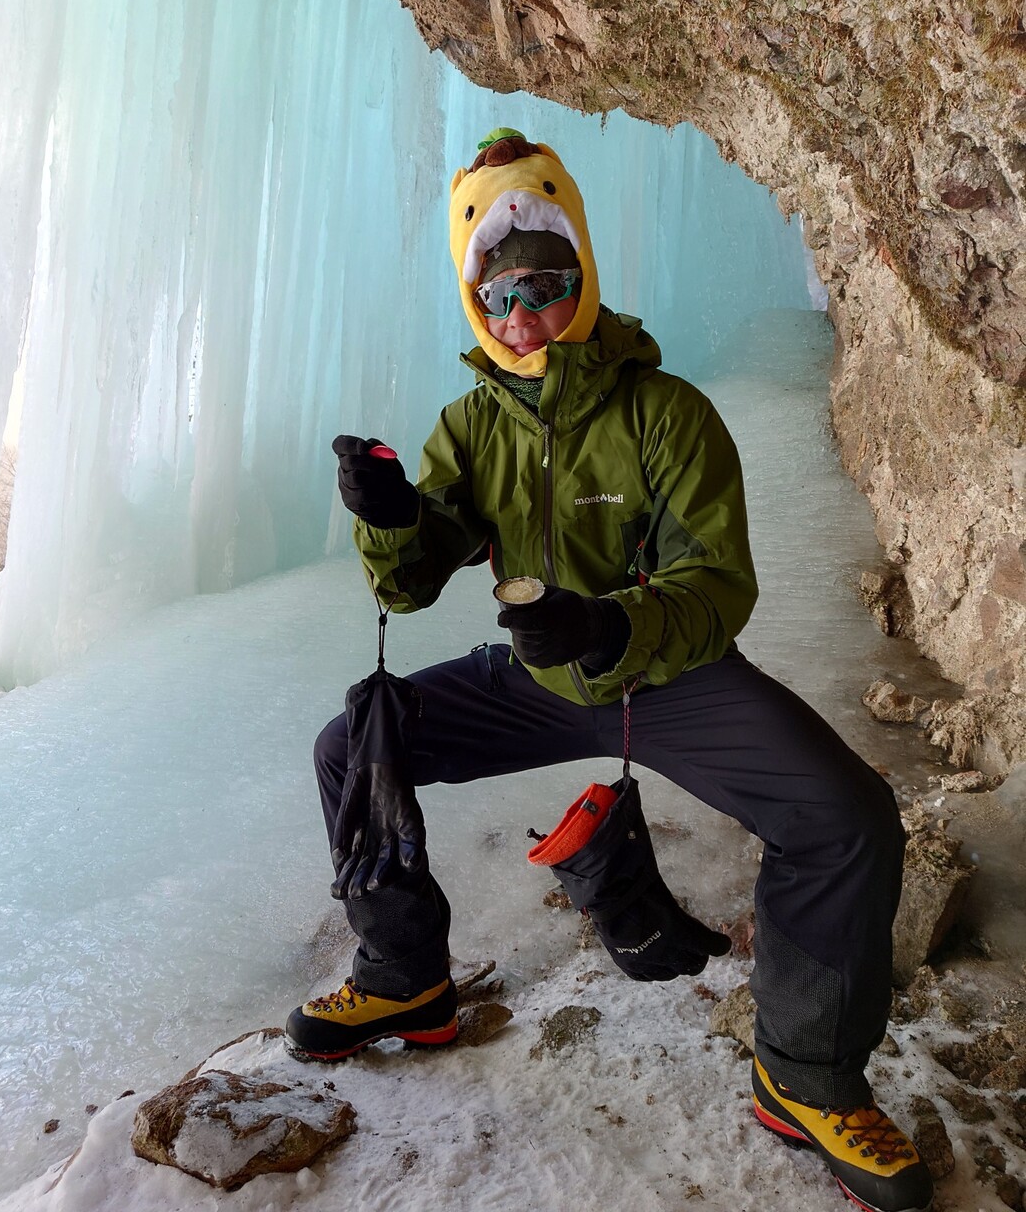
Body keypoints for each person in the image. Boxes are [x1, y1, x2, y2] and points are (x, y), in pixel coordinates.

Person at [285, 129, 934, 1212]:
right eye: (497, 299)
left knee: (849, 817)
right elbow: (406, 588)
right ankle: (407, 978)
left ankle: (804, 1077)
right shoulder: (470, 425)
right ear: (475, 309)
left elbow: (718, 584)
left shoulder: (667, 414)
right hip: (533, 684)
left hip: (669, 683)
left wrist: (605, 627)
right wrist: (392, 521)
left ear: (580, 279)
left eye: (542, 285)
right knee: (355, 744)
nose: (521, 317)